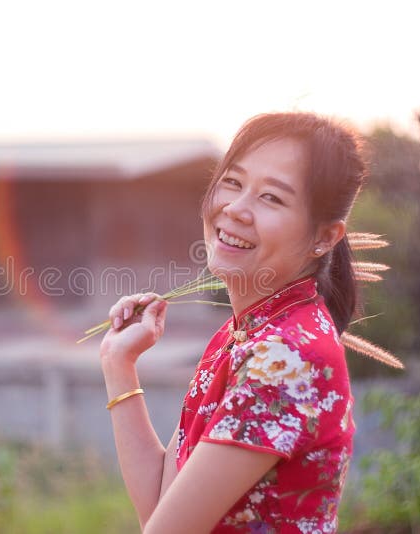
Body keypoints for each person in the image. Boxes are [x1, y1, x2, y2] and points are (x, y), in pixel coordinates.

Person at [99, 112, 366, 533]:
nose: (236, 209)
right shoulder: (244, 334)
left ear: (325, 237)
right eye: (234, 182)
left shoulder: (286, 356)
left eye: (272, 198)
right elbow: (160, 507)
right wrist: (118, 364)